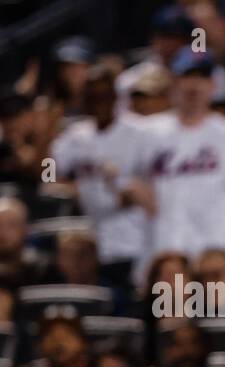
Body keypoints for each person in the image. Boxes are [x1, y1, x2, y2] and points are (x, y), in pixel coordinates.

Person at [141, 50, 225, 271]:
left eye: (202, 78)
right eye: (188, 77)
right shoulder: (148, 133)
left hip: (219, 257)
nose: (195, 86)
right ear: (174, 83)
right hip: (167, 255)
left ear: (213, 86)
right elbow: (128, 183)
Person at [50, 67, 155, 293]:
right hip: (95, 245)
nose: (99, 103)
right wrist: (70, 187)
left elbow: (156, 183)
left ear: (116, 97)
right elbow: (47, 170)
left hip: (135, 240)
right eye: (93, 97)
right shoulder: (76, 135)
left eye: (104, 96)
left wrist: (127, 188)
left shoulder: (140, 131)